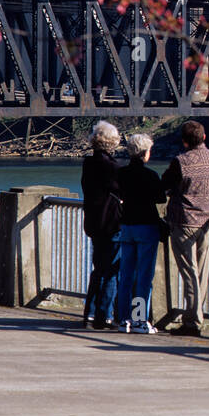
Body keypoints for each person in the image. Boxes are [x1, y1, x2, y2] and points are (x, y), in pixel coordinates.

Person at [161, 120, 209, 336]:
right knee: (202, 271)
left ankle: (193, 321)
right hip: (206, 221)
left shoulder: (181, 161)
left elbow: (165, 184)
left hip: (183, 222)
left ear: (184, 141)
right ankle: (197, 315)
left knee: (189, 272)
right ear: (204, 138)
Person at [116, 133, 164, 334]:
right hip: (146, 227)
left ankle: (123, 319)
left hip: (126, 226)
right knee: (144, 277)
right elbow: (160, 198)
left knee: (126, 275)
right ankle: (139, 319)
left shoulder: (121, 174)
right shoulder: (151, 176)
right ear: (145, 153)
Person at [81, 120, 122, 330]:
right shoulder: (112, 167)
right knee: (112, 271)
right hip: (111, 224)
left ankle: (89, 313)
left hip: (93, 222)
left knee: (98, 269)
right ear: (112, 142)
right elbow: (123, 190)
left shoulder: (88, 164)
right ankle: (104, 316)